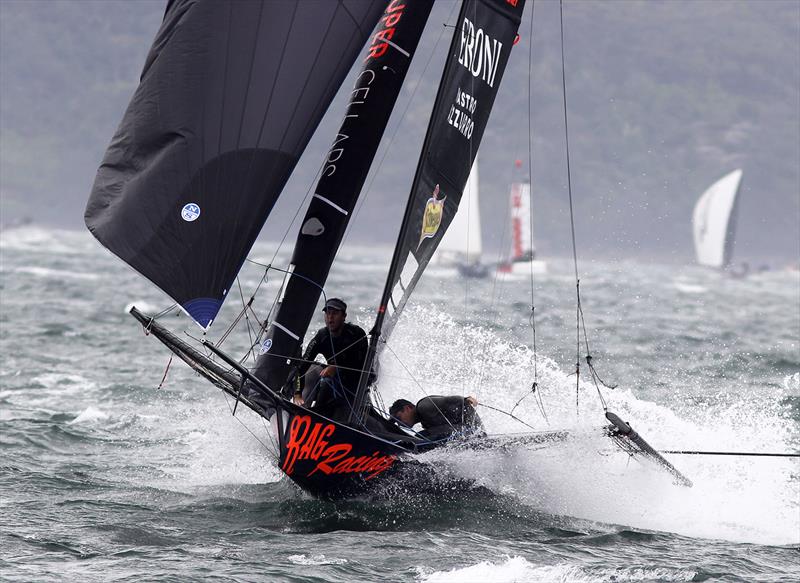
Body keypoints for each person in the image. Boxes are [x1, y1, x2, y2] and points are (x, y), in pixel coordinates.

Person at [292, 298, 369, 419]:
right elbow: (301, 368)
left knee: (328, 386)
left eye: (335, 313)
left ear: (344, 316)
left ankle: (321, 417)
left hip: (355, 383)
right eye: (328, 313)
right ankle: (300, 410)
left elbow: (363, 366)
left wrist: (338, 368)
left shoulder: (357, 334)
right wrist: (297, 394)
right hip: (332, 379)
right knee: (312, 370)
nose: (330, 317)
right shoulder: (321, 336)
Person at [389, 395, 484, 440]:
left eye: (398, 417)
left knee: (419, 438)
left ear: (407, 408)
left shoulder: (423, 406)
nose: (399, 423)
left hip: (471, 430)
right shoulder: (425, 422)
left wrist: (466, 399)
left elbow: (451, 401)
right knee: (421, 437)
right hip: (468, 433)